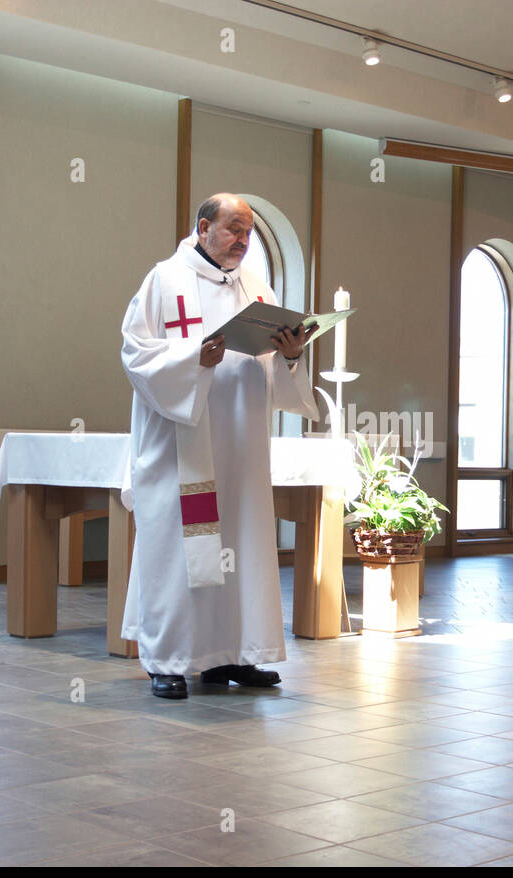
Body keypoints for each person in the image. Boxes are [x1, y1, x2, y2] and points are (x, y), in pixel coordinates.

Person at [120, 193, 318, 700]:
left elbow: (272, 366)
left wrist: (291, 356)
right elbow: (136, 353)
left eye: (248, 233)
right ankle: (168, 659)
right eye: (233, 229)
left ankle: (231, 654)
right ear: (203, 226)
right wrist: (195, 358)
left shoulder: (254, 286)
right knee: (178, 546)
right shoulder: (164, 280)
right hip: (182, 439)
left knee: (242, 541)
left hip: (241, 439)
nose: (243, 241)